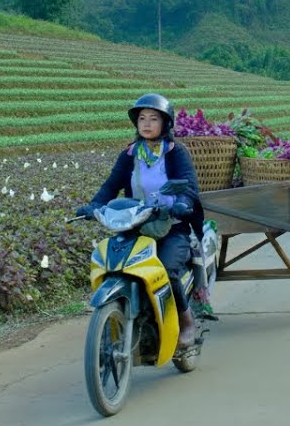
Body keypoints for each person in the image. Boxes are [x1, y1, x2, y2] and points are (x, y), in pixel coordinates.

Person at [76, 93, 206, 348]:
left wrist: (181, 204)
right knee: (118, 265)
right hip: (135, 226)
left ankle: (186, 321)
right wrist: (93, 206)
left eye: (153, 118)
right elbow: (111, 186)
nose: (146, 124)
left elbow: (189, 185)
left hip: (171, 227)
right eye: (142, 118)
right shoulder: (130, 154)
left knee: (166, 270)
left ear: (165, 123)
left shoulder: (175, 152)